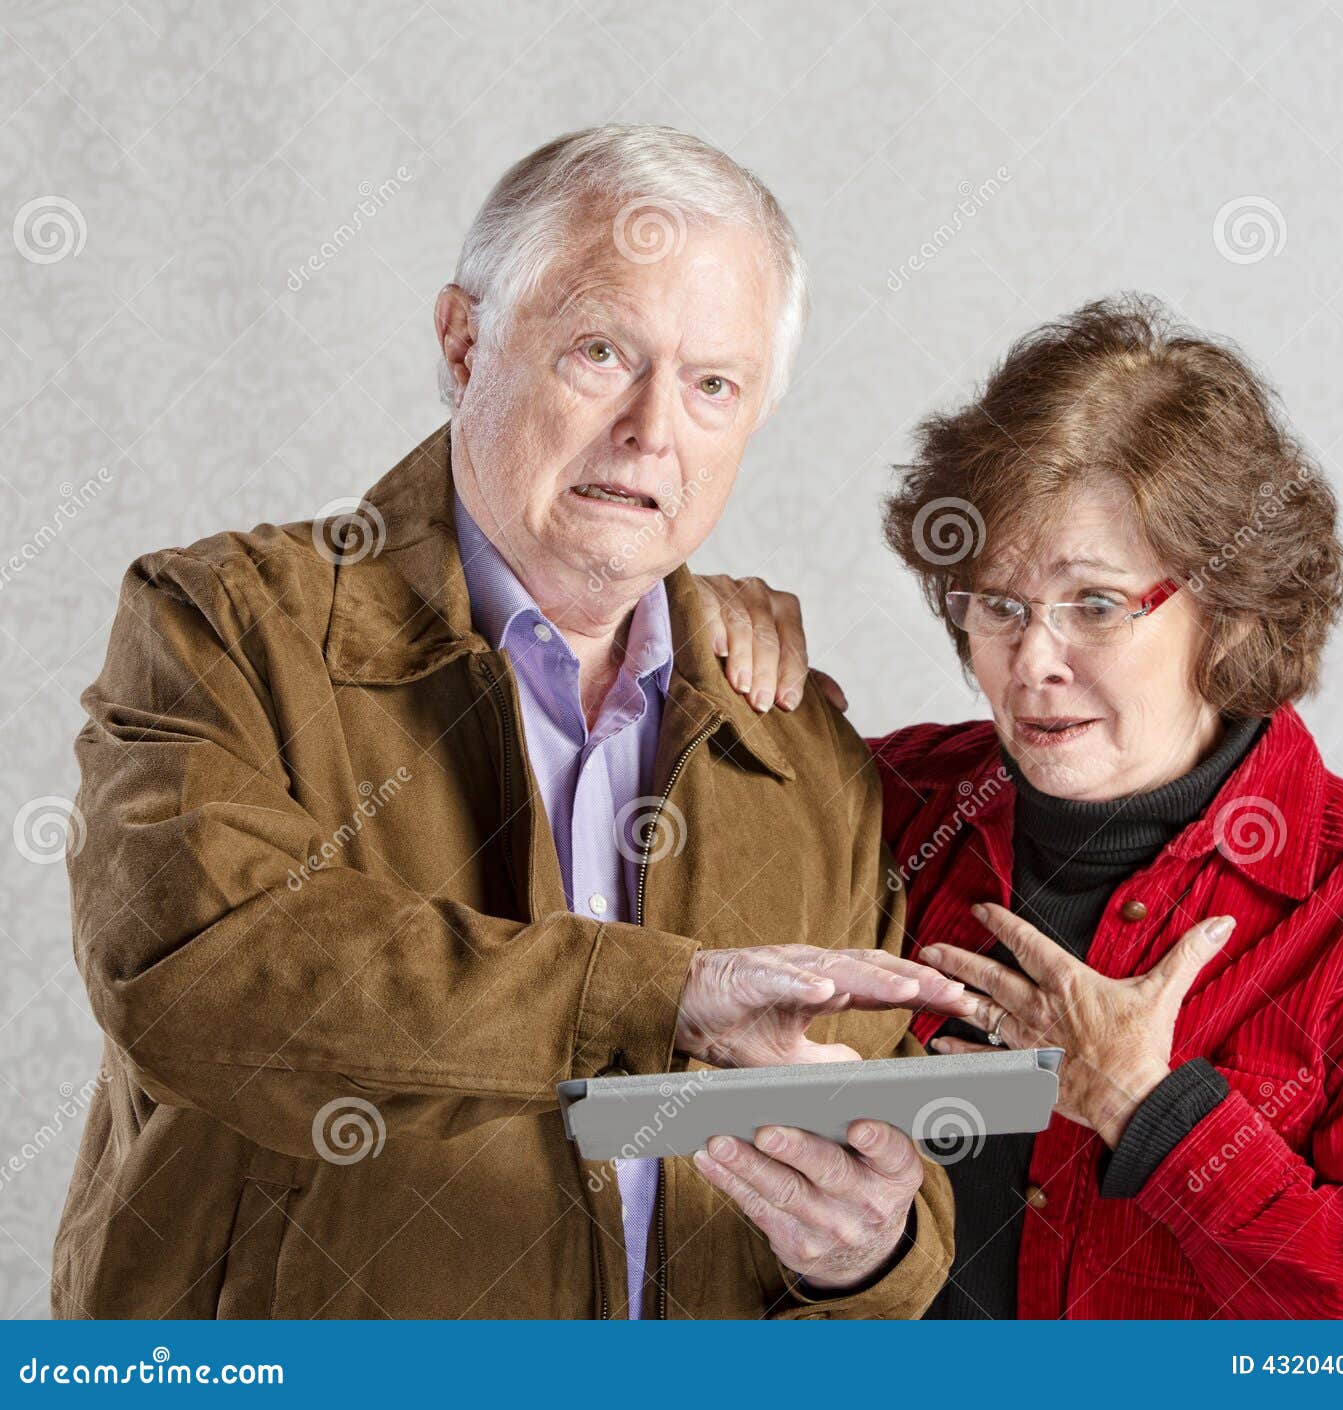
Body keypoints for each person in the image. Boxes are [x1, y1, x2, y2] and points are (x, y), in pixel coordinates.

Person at [53, 124, 976, 1321]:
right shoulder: (229, 626)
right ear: (462, 339)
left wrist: (863, 1252)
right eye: (601, 351)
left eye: (713, 385)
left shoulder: (802, 754)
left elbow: (877, 1160)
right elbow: (190, 972)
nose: (653, 429)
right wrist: (660, 995)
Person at [696, 295, 1343, 1318]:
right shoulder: (874, 808)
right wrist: (663, 642)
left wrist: (1154, 1117)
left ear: (1230, 605)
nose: (1031, 664)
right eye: (997, 605)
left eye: (1094, 606)